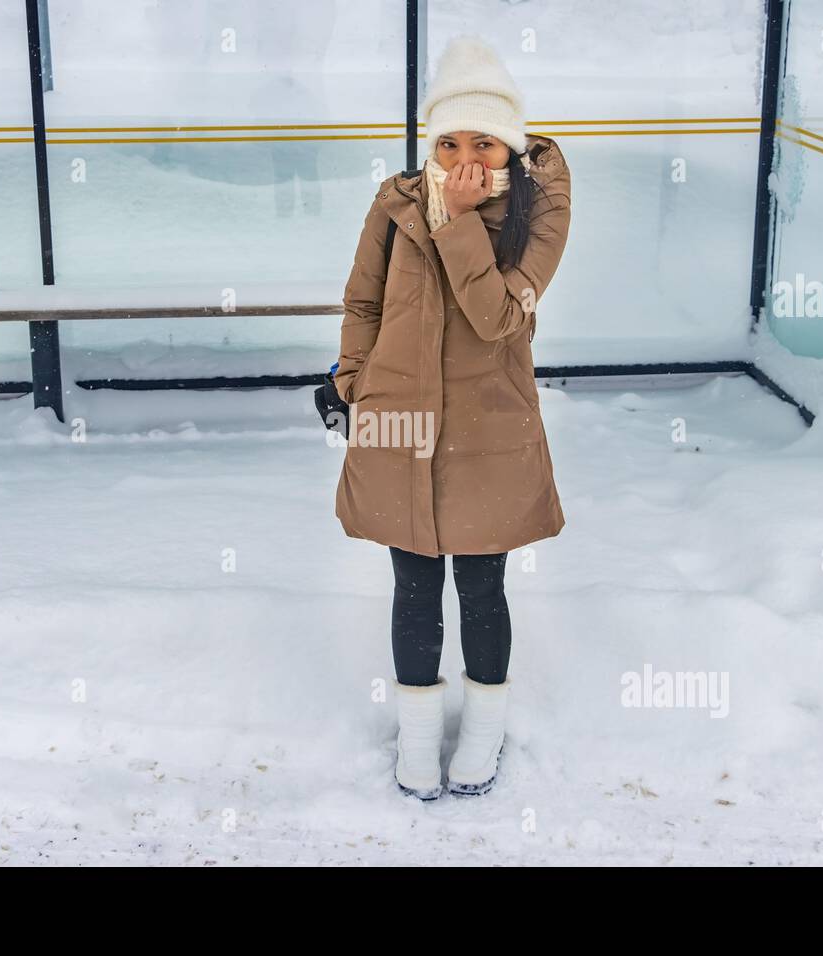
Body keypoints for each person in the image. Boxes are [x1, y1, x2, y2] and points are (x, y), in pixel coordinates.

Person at [328, 34, 572, 799]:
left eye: (485, 140)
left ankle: (486, 733)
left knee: (480, 583)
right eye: (450, 140)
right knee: (410, 582)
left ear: (511, 142)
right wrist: (352, 381)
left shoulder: (541, 206)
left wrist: (460, 219)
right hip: (398, 418)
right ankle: (418, 735)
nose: (467, 155)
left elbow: (499, 317)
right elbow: (363, 298)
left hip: (488, 429)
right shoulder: (396, 199)